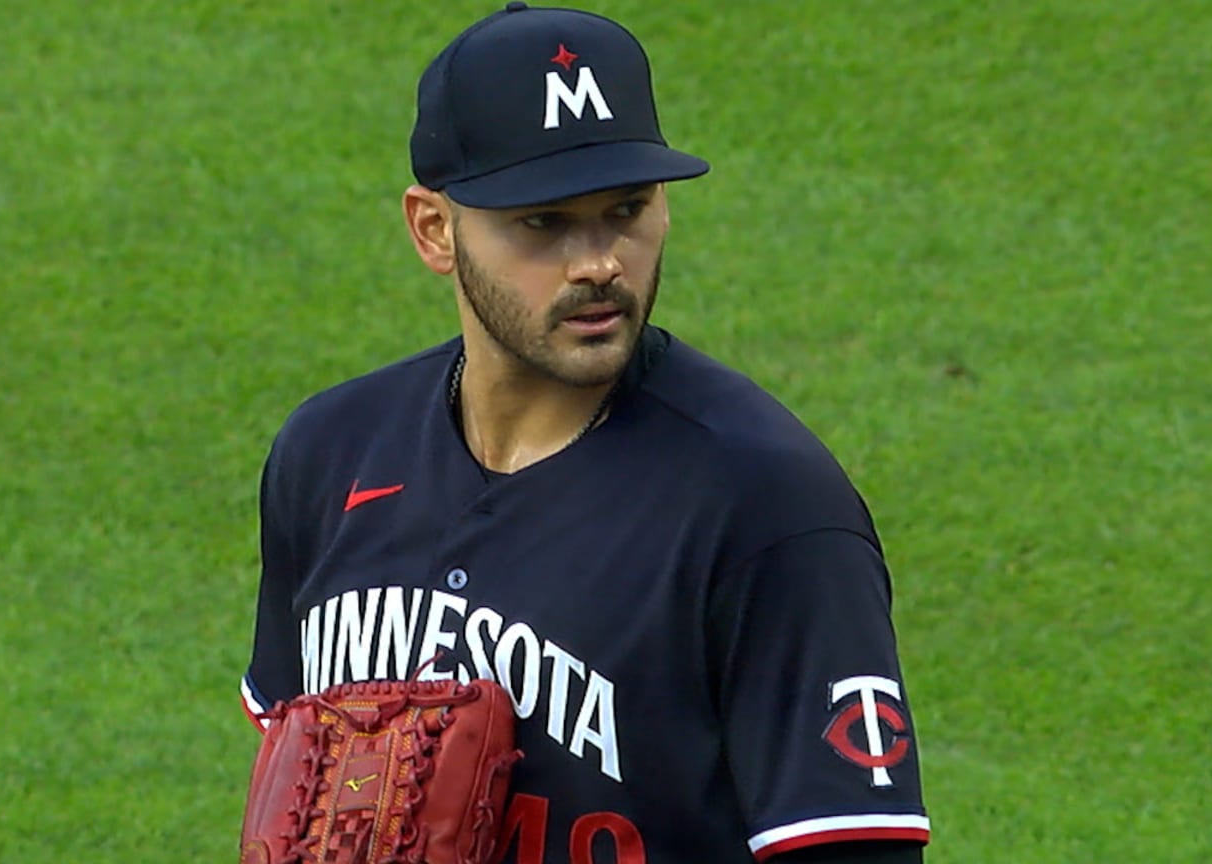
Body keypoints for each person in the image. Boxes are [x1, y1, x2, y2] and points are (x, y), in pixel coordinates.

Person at [240, 3, 930, 862]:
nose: (599, 262)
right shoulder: (331, 452)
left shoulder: (767, 506)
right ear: (434, 230)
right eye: (545, 222)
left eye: (626, 210)